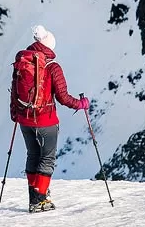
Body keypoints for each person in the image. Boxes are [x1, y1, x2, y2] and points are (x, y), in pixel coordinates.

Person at [10, 25, 89, 213]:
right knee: (47, 158)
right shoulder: (52, 67)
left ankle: (34, 196)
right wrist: (81, 104)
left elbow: (14, 91)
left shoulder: (23, 62)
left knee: (33, 155)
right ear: (50, 47)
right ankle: (40, 199)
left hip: (25, 120)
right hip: (46, 121)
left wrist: (16, 114)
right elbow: (63, 97)